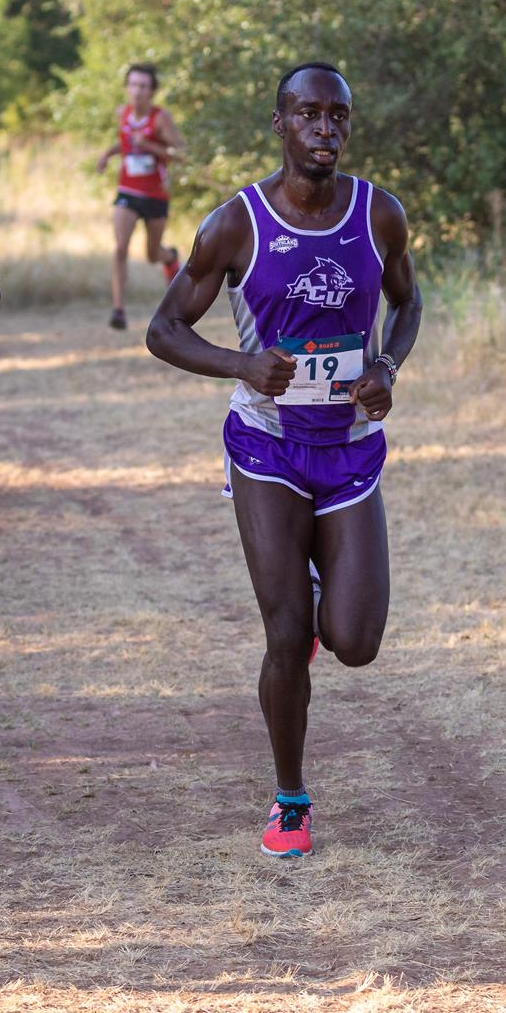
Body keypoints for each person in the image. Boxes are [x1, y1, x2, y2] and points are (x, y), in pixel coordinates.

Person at [147, 62, 421, 859]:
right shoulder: (236, 224)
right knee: (286, 632)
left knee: (356, 640)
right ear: (280, 123)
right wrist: (241, 364)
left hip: (349, 448)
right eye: (308, 114)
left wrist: (387, 366)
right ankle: (291, 801)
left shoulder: (379, 214)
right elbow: (164, 329)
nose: (325, 129)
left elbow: (407, 301)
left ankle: (318, 597)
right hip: (266, 446)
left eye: (338, 115)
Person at [95, 63, 185, 330]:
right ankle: (118, 310)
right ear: (127, 87)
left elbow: (180, 153)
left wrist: (149, 146)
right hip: (128, 190)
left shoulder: (160, 118)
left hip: (155, 194)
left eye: (143, 86)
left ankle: (170, 258)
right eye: (133, 85)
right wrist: (107, 154)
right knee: (120, 247)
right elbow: (125, 142)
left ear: (152, 91)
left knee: (152, 254)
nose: (137, 91)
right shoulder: (122, 113)